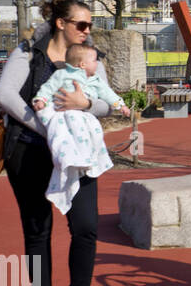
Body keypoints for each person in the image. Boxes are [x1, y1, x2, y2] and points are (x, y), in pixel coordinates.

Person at [0, 0, 116, 286]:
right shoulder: (29, 52)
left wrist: (87, 103)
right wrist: (48, 127)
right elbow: (5, 95)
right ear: (61, 23)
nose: (87, 31)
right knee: (37, 231)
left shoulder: (90, 58)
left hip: (79, 156)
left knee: (86, 227)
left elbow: (107, 101)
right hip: (30, 151)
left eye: (90, 25)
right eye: (82, 25)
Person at [31, 43, 130, 214]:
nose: (97, 64)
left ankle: (87, 157)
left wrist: (120, 105)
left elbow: (108, 94)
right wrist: (41, 99)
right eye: (94, 60)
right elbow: (48, 88)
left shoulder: (95, 80)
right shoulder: (62, 74)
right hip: (60, 113)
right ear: (82, 64)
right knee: (60, 131)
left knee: (92, 129)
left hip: (82, 115)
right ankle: (67, 159)